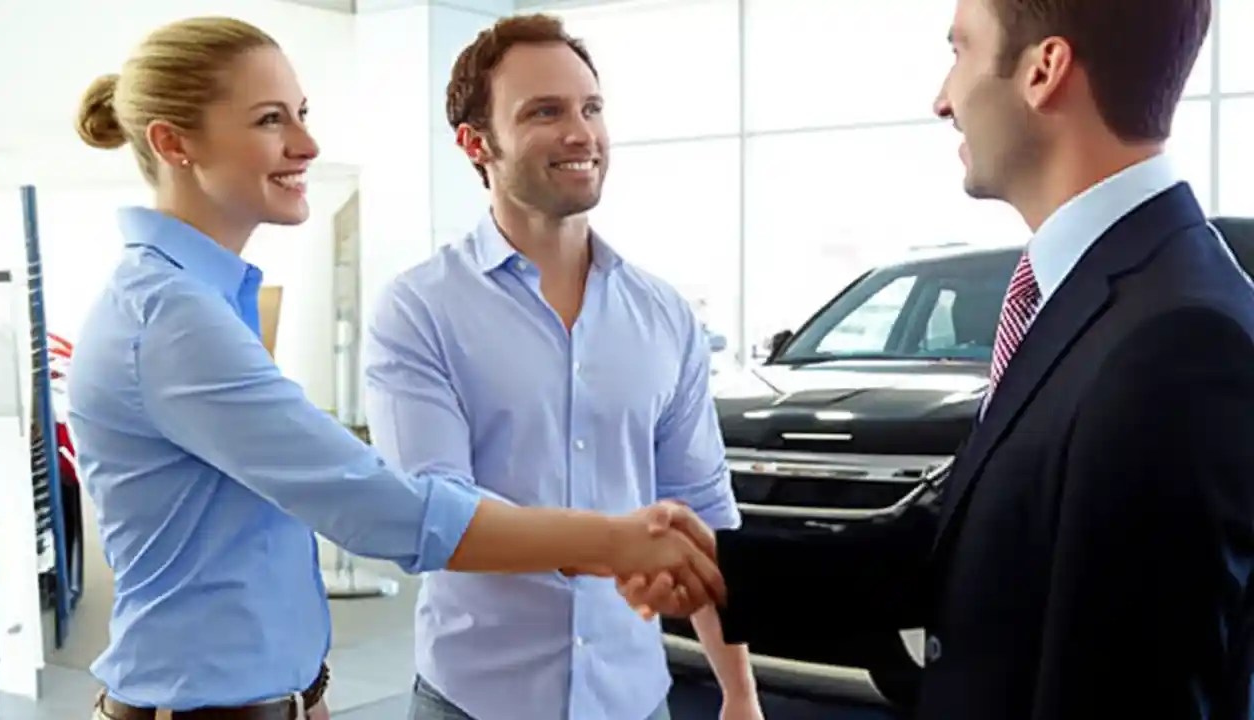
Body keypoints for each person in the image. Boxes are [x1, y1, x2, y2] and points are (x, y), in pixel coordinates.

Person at [66, 16, 723, 720]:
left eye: (302, 114)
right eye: (269, 120)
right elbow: (384, 508)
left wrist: (303, 693)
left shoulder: (201, 300)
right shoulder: (170, 318)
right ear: (173, 143)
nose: (308, 144)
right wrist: (614, 540)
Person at [632, 0, 1254, 718]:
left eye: (959, 50)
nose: (941, 99)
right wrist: (709, 564)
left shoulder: (1177, 344)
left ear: (1043, 70)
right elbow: (951, 551)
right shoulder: (1093, 297)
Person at [360, 13, 762, 720]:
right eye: (545, 112)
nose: (581, 133)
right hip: (477, 701)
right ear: (475, 143)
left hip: (633, 698)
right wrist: (612, 545)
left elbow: (700, 510)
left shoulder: (663, 314)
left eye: (591, 108)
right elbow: (435, 518)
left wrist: (739, 691)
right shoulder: (420, 309)